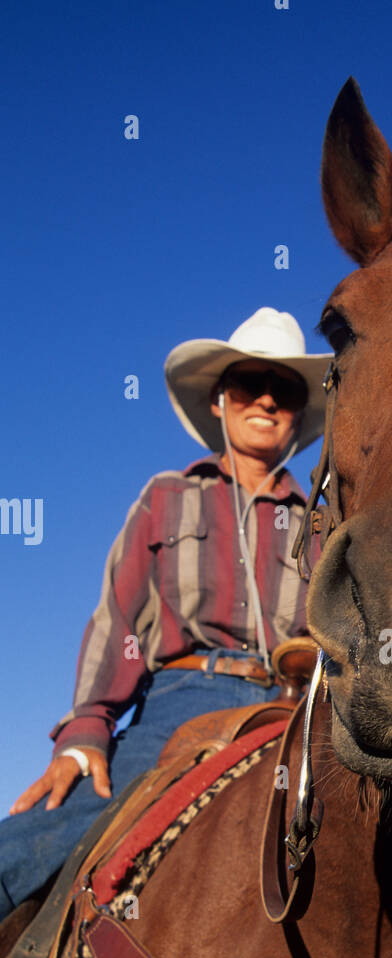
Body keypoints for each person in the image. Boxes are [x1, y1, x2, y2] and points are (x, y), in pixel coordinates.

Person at [0, 307, 330, 919]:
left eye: (282, 389)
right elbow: (116, 621)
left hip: (293, 715)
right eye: (248, 383)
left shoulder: (321, 522)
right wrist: (85, 733)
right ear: (218, 401)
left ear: (296, 414)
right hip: (181, 698)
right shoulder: (166, 497)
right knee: (41, 835)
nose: (264, 398)